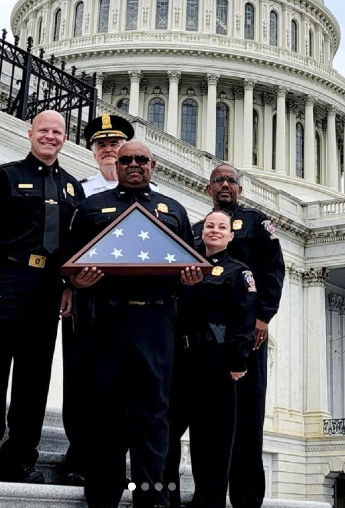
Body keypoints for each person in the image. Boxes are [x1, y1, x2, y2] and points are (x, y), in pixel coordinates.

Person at [68, 140, 202, 508]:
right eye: (125, 159)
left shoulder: (173, 210)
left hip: (156, 321)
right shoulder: (91, 207)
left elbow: (187, 263)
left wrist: (190, 279)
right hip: (108, 320)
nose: (133, 164)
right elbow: (71, 257)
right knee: (105, 408)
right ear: (116, 164)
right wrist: (77, 281)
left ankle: (151, 496)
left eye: (141, 159)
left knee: (153, 412)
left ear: (152, 166)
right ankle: (103, 495)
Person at [0, 110, 82, 483]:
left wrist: (69, 285)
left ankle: (19, 459)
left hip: (48, 287)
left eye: (57, 131)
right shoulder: (5, 176)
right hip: (7, 280)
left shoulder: (72, 188)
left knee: (35, 377)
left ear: (65, 138)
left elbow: (75, 244)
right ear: (30, 133)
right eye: (43, 129)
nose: (50, 136)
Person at [188, 164, 284, 508]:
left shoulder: (257, 223)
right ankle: (208, 493)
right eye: (219, 180)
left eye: (231, 180)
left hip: (247, 335)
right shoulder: (198, 230)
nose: (225, 185)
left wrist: (263, 316)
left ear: (240, 189)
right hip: (208, 343)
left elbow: (273, 270)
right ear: (209, 188)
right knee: (208, 420)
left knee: (248, 417)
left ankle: (246, 497)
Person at [60, 112, 137, 486]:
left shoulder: (148, 195)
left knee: (124, 383)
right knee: (80, 379)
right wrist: (68, 285)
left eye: (115, 143)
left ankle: (112, 459)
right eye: (101, 144)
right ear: (93, 151)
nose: (109, 149)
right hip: (88, 300)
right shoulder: (78, 192)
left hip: (131, 305)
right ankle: (78, 456)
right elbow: (66, 245)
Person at [164, 209, 257, 508]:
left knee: (212, 442)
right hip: (183, 361)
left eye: (221, 227)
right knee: (166, 432)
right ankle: (166, 497)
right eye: (209, 226)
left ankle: (208, 502)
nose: (214, 230)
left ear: (231, 235)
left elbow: (244, 319)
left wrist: (238, 361)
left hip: (217, 363)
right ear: (202, 231)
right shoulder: (186, 268)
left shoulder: (239, 272)